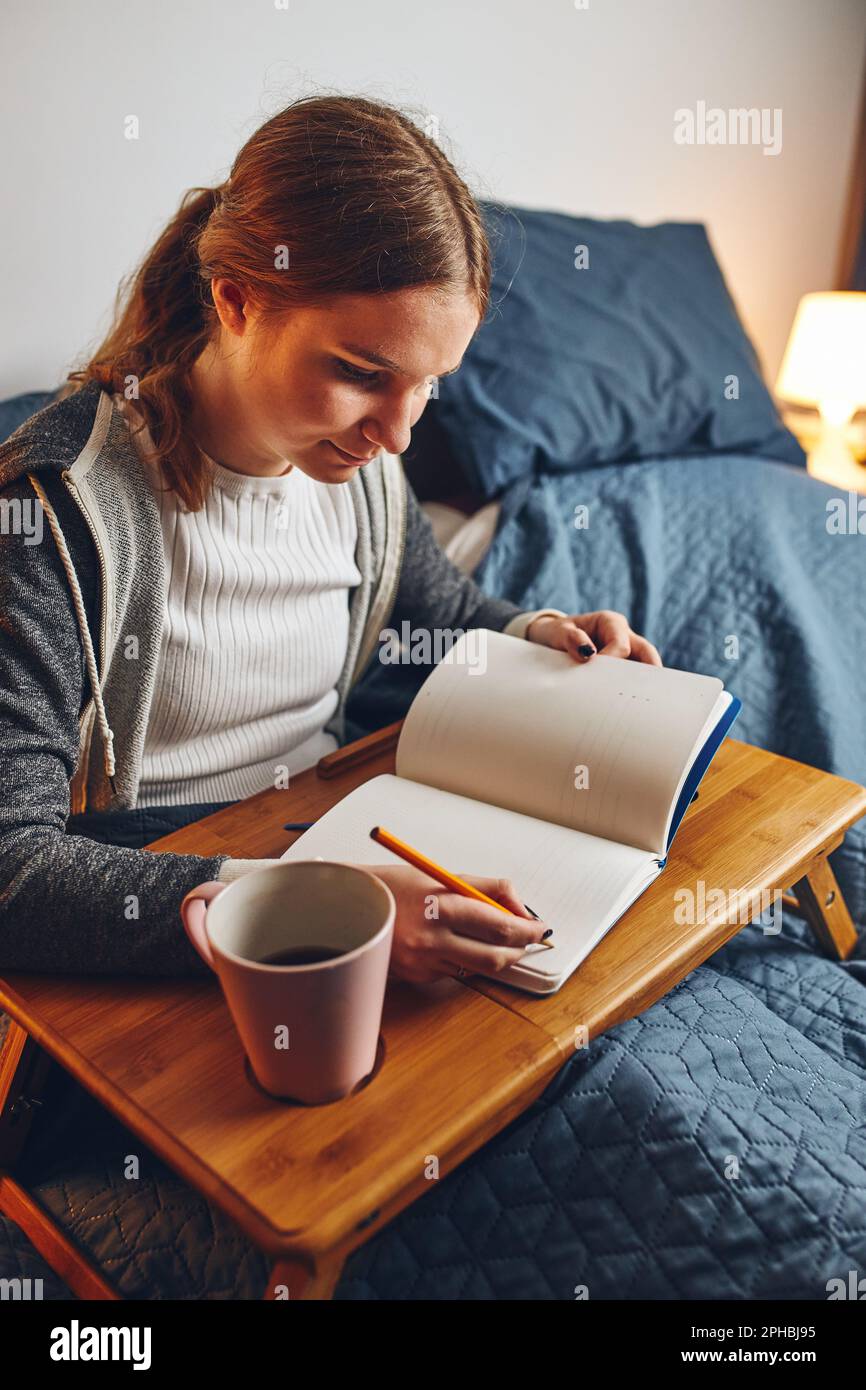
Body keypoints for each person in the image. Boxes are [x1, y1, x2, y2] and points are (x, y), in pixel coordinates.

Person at [0, 93, 661, 985]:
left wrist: (540, 634)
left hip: (330, 842)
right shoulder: (56, 512)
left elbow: (442, 608)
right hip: (171, 916)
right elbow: (13, 870)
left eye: (428, 386)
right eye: (361, 374)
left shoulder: (359, 473)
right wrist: (303, 909)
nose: (398, 435)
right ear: (235, 300)